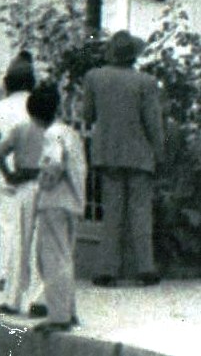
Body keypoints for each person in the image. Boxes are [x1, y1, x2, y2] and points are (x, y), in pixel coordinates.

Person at [82, 29, 164, 287]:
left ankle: (107, 269)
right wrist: (159, 153)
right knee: (140, 212)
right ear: (133, 56)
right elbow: (153, 123)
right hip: (139, 154)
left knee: (112, 212)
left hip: (107, 153)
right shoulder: (146, 82)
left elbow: (87, 115)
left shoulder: (94, 78)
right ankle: (145, 268)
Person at [31, 82, 88, 334]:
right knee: (65, 258)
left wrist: (42, 183)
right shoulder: (70, 132)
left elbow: (53, 163)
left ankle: (58, 316)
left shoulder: (51, 134)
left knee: (51, 259)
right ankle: (69, 311)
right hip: (73, 202)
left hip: (54, 201)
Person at [0, 52, 40, 301]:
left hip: (6, 172)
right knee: (31, 227)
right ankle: (29, 275)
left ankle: (6, 275)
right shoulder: (37, 105)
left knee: (7, 226)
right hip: (32, 173)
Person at [0, 79, 46, 317]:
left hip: (22, 188)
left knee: (18, 243)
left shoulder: (21, 129)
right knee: (41, 246)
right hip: (45, 189)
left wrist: (9, 175)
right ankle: (39, 300)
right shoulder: (55, 132)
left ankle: (12, 299)